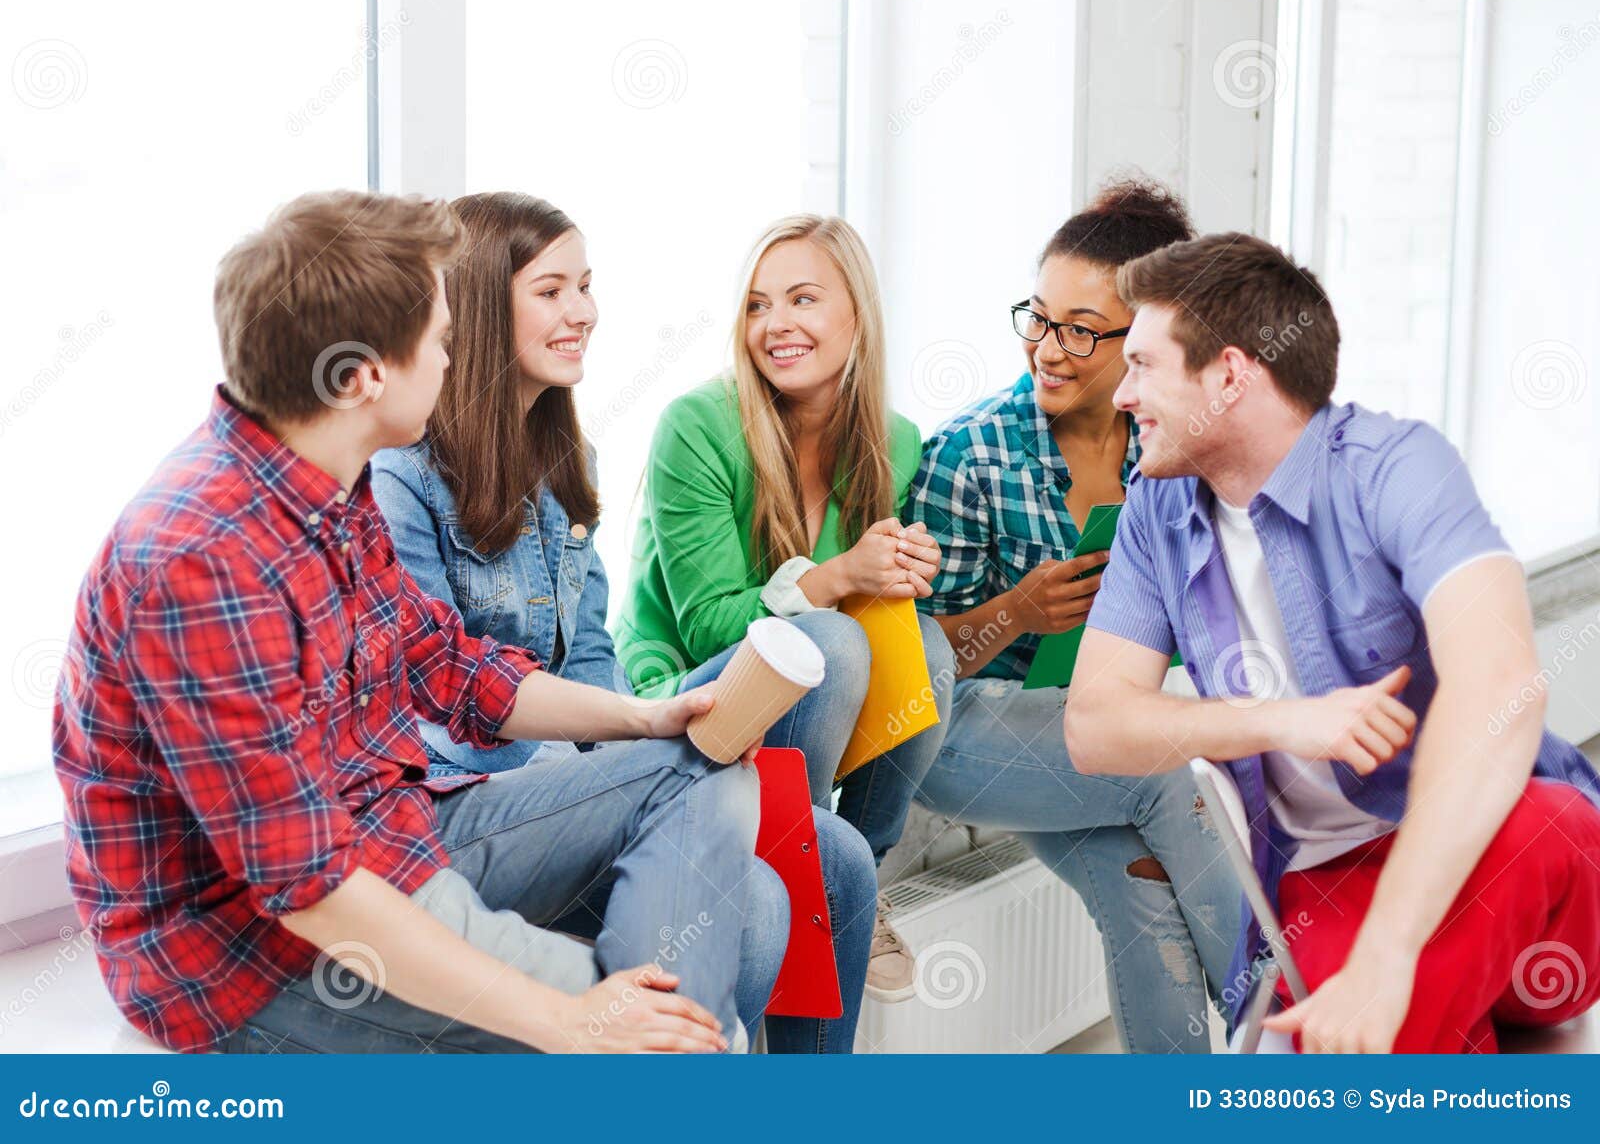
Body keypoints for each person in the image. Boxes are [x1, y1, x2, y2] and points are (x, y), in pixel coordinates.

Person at [51, 191, 765, 1055]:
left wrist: (644, 717)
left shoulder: (330, 482)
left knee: (700, 766)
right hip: (255, 957)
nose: (454, 359)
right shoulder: (202, 559)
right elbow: (308, 885)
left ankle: (653, 1062)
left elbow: (453, 666)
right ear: (365, 377)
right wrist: (572, 1018)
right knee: (673, 1018)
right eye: (442, 340)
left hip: (396, 838)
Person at [1065, 231, 1600, 1053]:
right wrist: (1284, 720)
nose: (1123, 394)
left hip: (1504, 848)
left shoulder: (1398, 467)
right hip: (1328, 880)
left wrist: (1389, 958)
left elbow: (1502, 687)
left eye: (1142, 365)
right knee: (1354, 1040)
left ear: (1231, 374)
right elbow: (1094, 729)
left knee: (1548, 824)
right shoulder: (1155, 514)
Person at [371, 191, 874, 1053]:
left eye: (587, 287)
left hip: (588, 755)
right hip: (480, 794)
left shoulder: (567, 458)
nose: (585, 313)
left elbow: (592, 649)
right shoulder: (401, 476)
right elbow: (430, 695)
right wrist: (622, 759)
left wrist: (621, 746)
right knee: (750, 901)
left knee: (838, 861)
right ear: (485, 307)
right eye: (555, 290)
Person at [902, 178, 1240, 1053]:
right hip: (957, 732)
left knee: (1143, 893)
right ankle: (1292, 1034)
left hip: (1086, 731)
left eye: (1082, 330)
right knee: (1160, 766)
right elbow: (911, 671)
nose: (1048, 349)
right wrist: (1016, 612)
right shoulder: (971, 452)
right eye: (1038, 318)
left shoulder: (1170, 455)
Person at [615, 215, 955, 1006]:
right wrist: (840, 576)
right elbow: (705, 626)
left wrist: (898, 570)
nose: (777, 326)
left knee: (929, 650)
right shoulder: (698, 426)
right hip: (684, 690)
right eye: (758, 305)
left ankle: (854, 873)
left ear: (856, 316)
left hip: (803, 706)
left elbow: (867, 608)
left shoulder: (895, 441)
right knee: (829, 641)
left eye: (803, 299)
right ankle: (804, 874)